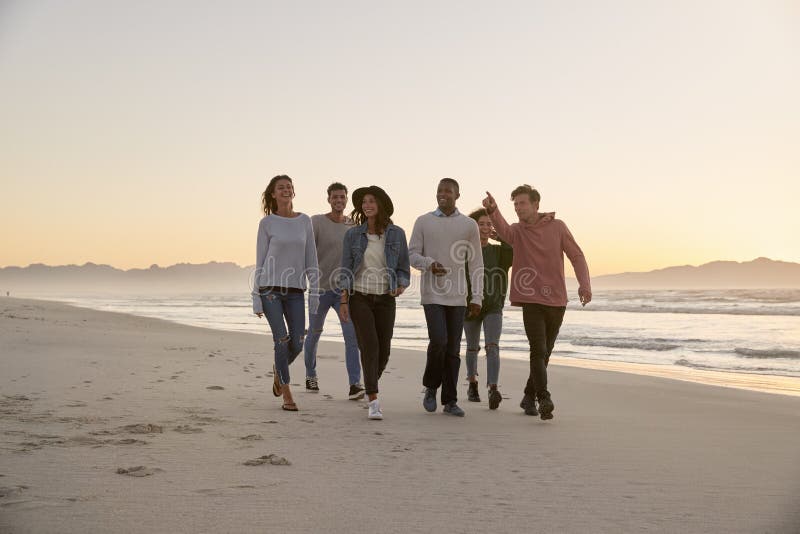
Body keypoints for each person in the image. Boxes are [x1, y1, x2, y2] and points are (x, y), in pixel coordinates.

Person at [482, 185, 591, 420]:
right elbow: (503, 230)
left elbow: (577, 255)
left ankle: (527, 397)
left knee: (545, 353)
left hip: (557, 300)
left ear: (536, 204)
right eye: (515, 205)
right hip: (530, 299)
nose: (519, 209)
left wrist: (584, 284)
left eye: (522, 203)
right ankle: (544, 398)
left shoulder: (558, 227)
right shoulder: (517, 231)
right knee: (538, 350)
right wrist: (493, 210)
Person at [409, 178, 483, 417]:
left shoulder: (469, 225)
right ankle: (431, 387)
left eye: (448, 191)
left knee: (452, 350)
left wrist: (477, 298)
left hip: (458, 296)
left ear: (457, 195)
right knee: (439, 341)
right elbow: (411, 255)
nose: (443, 194)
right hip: (432, 294)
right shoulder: (423, 221)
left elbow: (476, 264)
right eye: (439, 190)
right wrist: (429, 264)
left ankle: (450, 400)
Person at [338, 186, 410, 420]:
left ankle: (370, 383)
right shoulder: (353, 235)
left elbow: (403, 268)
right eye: (364, 202)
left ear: (380, 205)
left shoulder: (397, 234)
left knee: (384, 350)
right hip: (360, 296)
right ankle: (374, 400)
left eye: (371, 201)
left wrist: (401, 283)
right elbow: (346, 269)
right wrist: (344, 300)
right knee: (369, 347)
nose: (367, 205)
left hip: (386, 298)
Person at [252, 175, 319, 412]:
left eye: (289, 187)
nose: (286, 190)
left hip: (295, 290)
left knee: (298, 341)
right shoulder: (267, 223)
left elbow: (311, 257)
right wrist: (255, 297)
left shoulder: (304, 221)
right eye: (281, 187)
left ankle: (278, 370)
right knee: (281, 340)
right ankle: (287, 393)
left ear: (294, 192)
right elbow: (260, 260)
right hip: (269, 289)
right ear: (273, 194)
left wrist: (316, 291)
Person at [303, 182, 365, 400]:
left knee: (352, 337)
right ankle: (311, 374)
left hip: (344, 292)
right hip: (319, 289)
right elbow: (307, 251)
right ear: (328, 199)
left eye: (342, 197)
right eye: (335, 197)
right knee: (314, 333)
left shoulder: (353, 226)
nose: (339, 200)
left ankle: (354, 384)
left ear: (346, 200)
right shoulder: (317, 221)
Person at [463, 208, 513, 410]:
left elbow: (512, 248)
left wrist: (500, 236)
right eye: (481, 224)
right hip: (470, 304)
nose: (485, 227)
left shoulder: (498, 251)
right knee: (472, 347)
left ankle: (493, 388)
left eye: (488, 224)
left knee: (493, 346)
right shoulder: (465, 251)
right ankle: (472, 384)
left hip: (493, 305)